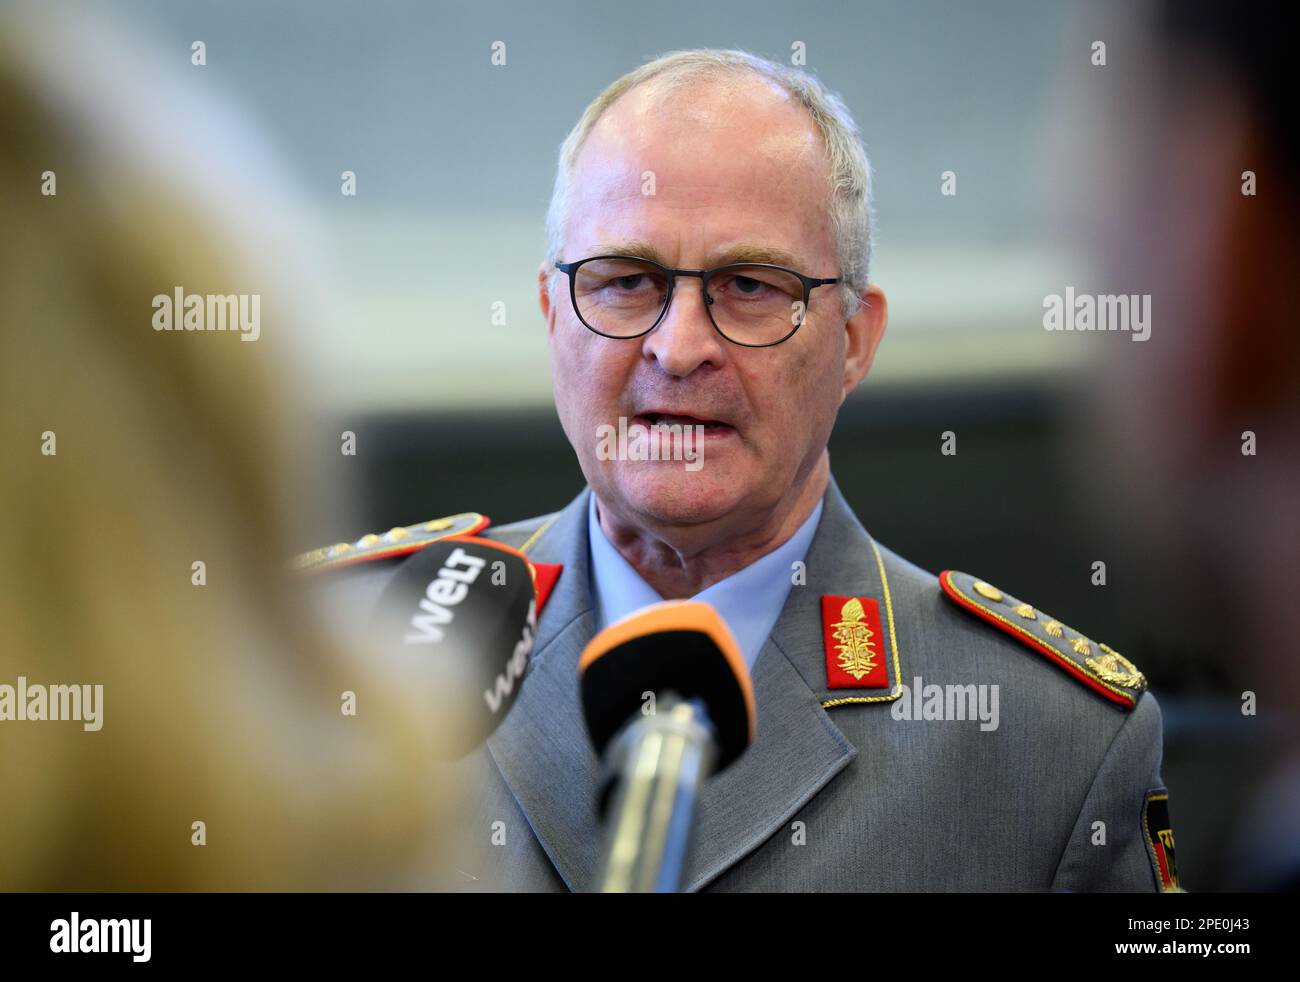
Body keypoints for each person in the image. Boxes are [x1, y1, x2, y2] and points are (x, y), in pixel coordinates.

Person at [306, 48, 1177, 892]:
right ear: (550, 314)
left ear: (854, 342)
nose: (678, 348)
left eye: (751, 286)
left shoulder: (1045, 743)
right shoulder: (327, 656)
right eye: (625, 281)